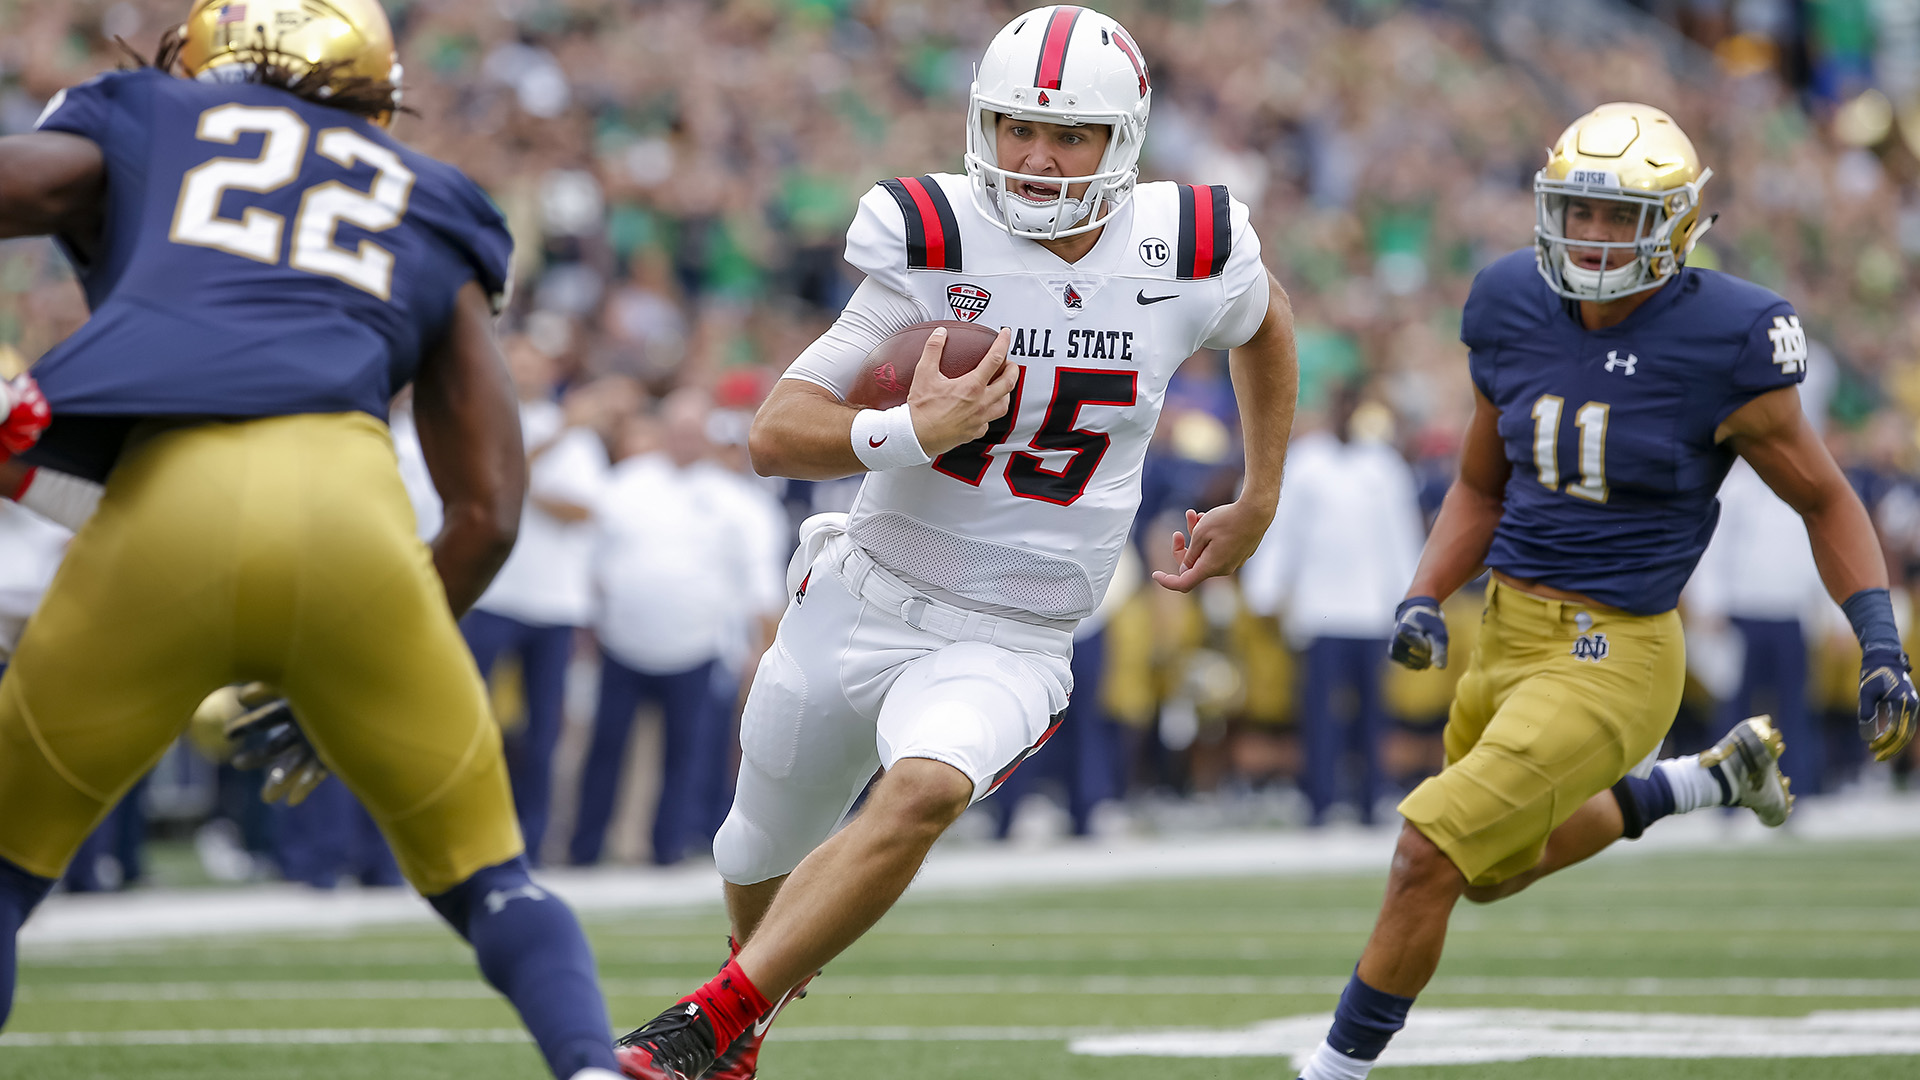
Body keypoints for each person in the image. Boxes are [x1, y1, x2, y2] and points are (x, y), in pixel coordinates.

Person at [613, 7, 1299, 1079]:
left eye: (1069, 134)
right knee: (752, 850)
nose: (1037, 157)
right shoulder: (933, 239)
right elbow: (774, 433)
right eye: (1018, 126)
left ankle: (707, 1023)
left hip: (1013, 633)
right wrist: (906, 430)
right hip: (862, 594)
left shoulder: (1191, 246)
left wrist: (1259, 493)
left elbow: (1267, 322)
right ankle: (744, 1020)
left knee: (927, 787)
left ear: (1123, 140)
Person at [0, 4, 624, 1077]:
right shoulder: (429, 193)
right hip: (352, 519)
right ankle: (590, 1065)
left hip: (168, 506)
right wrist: (373, 656)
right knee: (494, 880)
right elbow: (488, 512)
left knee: (6, 868)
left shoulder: (151, 114)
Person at [1293, 102, 1918, 1080]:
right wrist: (1424, 592)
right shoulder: (1509, 301)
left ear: (1676, 224)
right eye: (1577, 210)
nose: (1591, 235)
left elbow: (1825, 498)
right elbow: (1480, 485)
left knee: (1426, 855)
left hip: (1615, 651)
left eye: (1618, 216)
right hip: (1505, 631)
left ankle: (1331, 1073)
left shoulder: (1727, 337)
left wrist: (1881, 641)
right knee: (1487, 873)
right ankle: (1700, 781)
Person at [1242, 382, 1424, 826]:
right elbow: (1282, 529)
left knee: (1373, 712)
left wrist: (1411, 599)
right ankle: (1319, 802)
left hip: (1371, 611)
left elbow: (1401, 538)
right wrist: (1265, 588)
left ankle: (1370, 800)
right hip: (1319, 609)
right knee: (1319, 711)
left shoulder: (1385, 467)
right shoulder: (1306, 462)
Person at [461, 335, 610, 865]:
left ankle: (531, 841)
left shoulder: (580, 440)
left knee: (542, 732)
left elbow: (584, 511)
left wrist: (521, 484)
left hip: (555, 601)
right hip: (492, 593)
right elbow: (487, 480)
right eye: (516, 364)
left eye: (533, 365)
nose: (525, 373)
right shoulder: (488, 418)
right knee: (466, 720)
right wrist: (553, 442)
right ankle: (462, 834)